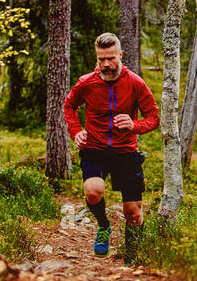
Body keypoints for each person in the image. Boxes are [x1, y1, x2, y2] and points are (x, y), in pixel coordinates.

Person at [62, 32, 159, 263]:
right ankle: (103, 226)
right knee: (93, 191)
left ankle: (132, 259)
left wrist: (134, 125)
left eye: (111, 58)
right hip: (94, 148)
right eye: (101, 59)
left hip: (125, 151)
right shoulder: (87, 82)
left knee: (133, 213)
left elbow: (153, 117)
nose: (106, 64)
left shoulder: (135, 83)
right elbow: (69, 106)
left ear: (120, 55)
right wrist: (76, 132)